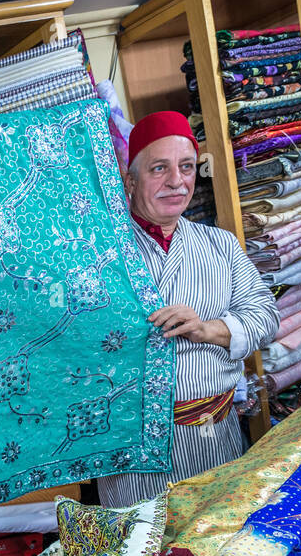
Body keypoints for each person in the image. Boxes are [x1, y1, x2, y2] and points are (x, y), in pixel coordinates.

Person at [97, 110, 280, 508]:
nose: (176, 181)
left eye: (186, 167)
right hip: (134, 456)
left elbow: (266, 316)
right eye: (159, 168)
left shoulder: (221, 245)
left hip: (214, 437)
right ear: (130, 181)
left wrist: (209, 329)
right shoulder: (101, 254)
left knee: (215, 545)